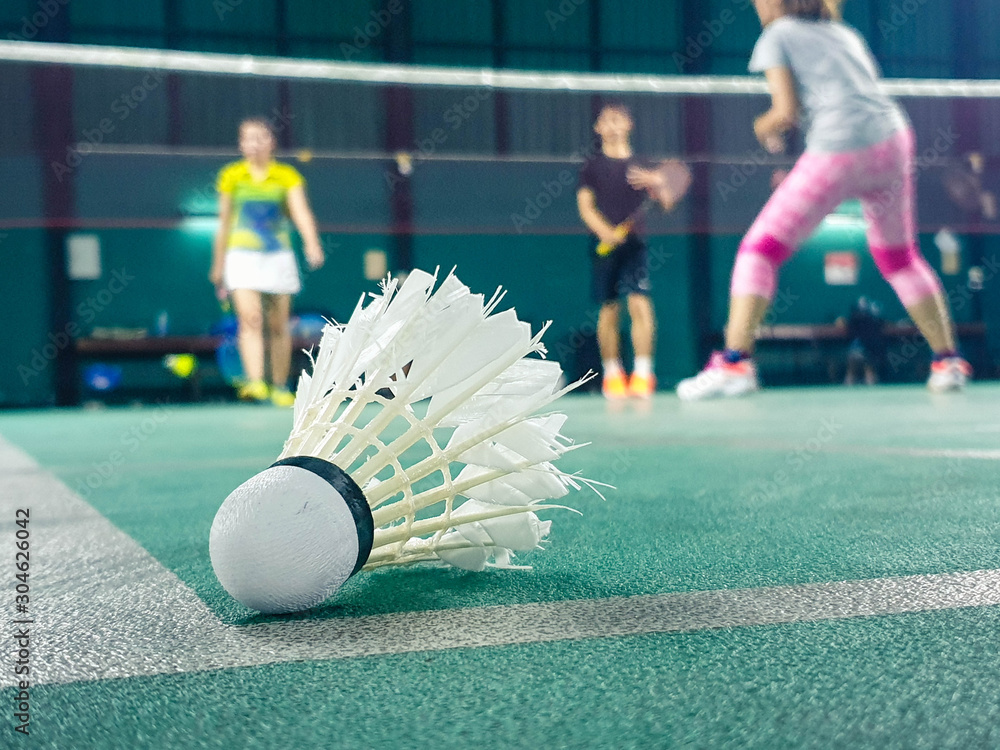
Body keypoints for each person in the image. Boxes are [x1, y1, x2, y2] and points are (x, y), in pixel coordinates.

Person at [677, 0, 971, 400]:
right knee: (899, 257)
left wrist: (762, 128)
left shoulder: (776, 35)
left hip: (840, 146)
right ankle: (948, 361)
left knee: (759, 250)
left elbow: (784, 111)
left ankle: (733, 363)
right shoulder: (844, 33)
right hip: (893, 140)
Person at [210, 118, 325, 406]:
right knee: (250, 320)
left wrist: (312, 243)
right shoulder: (232, 176)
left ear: (271, 142)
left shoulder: (287, 176)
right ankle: (255, 382)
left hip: (278, 256)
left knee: (278, 325)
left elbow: (300, 212)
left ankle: (279, 386)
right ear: (241, 144)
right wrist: (218, 265)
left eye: (261, 137)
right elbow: (224, 223)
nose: (255, 143)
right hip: (241, 256)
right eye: (248, 138)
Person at [576, 102, 684, 400]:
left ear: (628, 125)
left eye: (617, 119)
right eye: (605, 121)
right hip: (604, 246)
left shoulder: (644, 164)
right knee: (609, 310)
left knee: (639, 304)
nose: (611, 125)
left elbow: (666, 204)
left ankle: (643, 374)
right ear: (598, 128)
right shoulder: (592, 166)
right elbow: (585, 206)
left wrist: (658, 182)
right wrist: (605, 232)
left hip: (636, 246)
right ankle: (612, 375)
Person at [839, 296, 885, 386]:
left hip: (865, 352)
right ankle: (867, 381)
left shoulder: (854, 320)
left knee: (858, 368)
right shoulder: (871, 321)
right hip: (865, 352)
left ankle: (854, 382)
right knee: (863, 366)